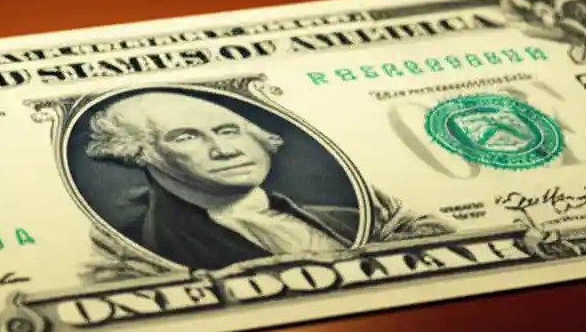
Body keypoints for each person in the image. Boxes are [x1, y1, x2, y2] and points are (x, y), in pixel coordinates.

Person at [85, 90, 449, 270]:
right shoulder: (136, 252)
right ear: (139, 154)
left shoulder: (354, 216)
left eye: (228, 130)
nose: (225, 150)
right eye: (186, 137)